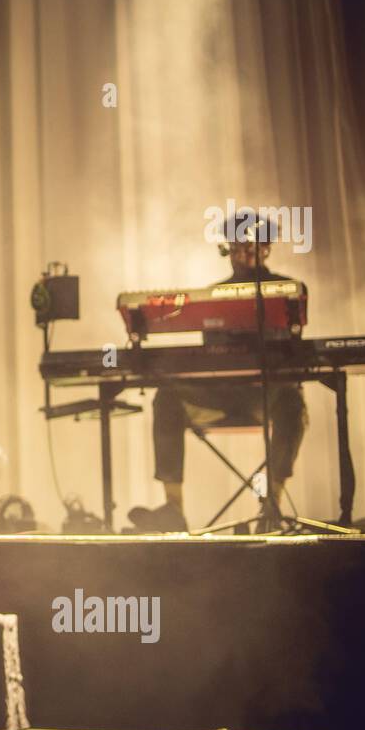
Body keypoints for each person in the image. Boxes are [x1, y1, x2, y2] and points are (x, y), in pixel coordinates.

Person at [128, 215, 308, 533]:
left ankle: (272, 507)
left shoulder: (286, 292)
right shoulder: (210, 296)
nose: (243, 254)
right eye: (236, 247)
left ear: (266, 248)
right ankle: (173, 510)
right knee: (167, 399)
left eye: (250, 246)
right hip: (219, 395)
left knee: (292, 402)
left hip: (264, 396)